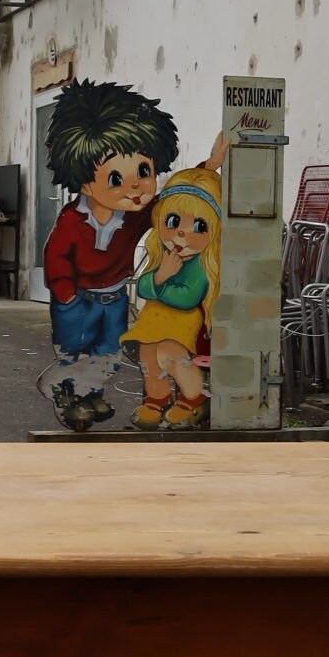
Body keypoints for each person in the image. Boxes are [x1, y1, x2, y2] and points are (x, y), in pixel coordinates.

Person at [40, 80, 227, 431]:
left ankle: (92, 394)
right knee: (74, 351)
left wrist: (210, 165)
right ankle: (69, 397)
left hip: (113, 297)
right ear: (84, 182)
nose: (137, 187)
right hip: (76, 299)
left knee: (109, 353)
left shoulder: (137, 213)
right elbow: (56, 259)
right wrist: (65, 293)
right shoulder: (71, 221)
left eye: (144, 171)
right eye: (116, 178)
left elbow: (178, 201)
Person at [120, 165, 223, 428]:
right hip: (154, 322)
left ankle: (193, 400)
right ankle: (156, 400)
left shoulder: (202, 264)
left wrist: (161, 286)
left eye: (198, 226)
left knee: (169, 353)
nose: (181, 233)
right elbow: (142, 285)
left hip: (186, 324)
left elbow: (188, 297)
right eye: (174, 221)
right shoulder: (162, 255)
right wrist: (158, 277)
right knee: (148, 355)